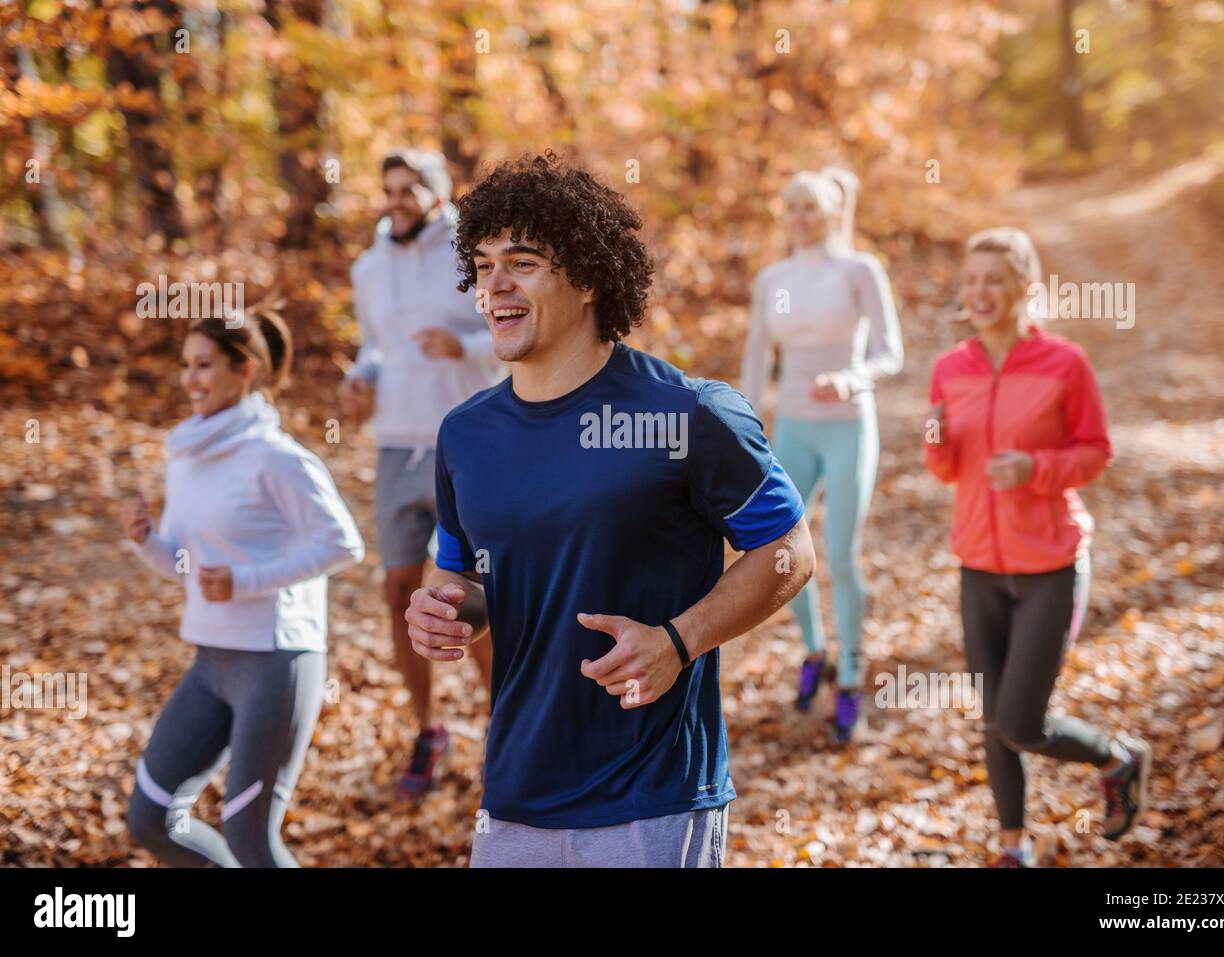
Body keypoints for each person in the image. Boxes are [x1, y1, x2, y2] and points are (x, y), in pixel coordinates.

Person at [404, 152, 816, 867]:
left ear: (588, 278)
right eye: (484, 263)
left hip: (651, 796)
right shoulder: (464, 435)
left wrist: (680, 639)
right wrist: (443, 611)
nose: (495, 282)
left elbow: (792, 551)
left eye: (524, 262)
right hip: (514, 795)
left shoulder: (689, 412)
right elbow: (463, 580)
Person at [923, 226, 1150, 867]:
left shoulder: (1064, 363)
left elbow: (1096, 450)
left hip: (1051, 561)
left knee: (1021, 722)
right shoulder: (950, 366)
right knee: (994, 718)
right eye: (972, 280)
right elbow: (942, 464)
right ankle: (1012, 848)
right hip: (979, 563)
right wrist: (934, 438)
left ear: (1026, 287)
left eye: (995, 279)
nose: (981, 291)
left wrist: (1036, 470)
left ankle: (1118, 757)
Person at [123, 310, 364, 867]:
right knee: (151, 818)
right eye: (185, 366)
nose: (190, 378)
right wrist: (147, 542)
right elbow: (190, 568)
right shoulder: (187, 455)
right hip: (212, 661)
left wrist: (246, 580)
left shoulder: (276, 457)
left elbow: (344, 545)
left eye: (204, 365)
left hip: (276, 662)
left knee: (250, 837)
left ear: (245, 369)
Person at [339, 149, 501, 799]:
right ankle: (427, 727)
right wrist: (363, 376)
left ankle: (502, 728)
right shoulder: (368, 266)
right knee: (401, 589)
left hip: (466, 444)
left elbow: (514, 332)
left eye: (411, 188)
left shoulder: (471, 253)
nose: (398, 199)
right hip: (394, 445)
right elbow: (376, 342)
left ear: (440, 193)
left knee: (473, 594)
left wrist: (465, 345)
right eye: (390, 189)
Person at [741, 166, 903, 742]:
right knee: (785, 552)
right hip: (792, 429)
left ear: (835, 212)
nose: (801, 218)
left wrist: (853, 378)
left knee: (840, 554)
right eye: (792, 207)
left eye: (811, 207)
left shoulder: (860, 270)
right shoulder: (772, 279)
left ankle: (853, 675)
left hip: (848, 427)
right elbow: (758, 359)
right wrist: (741, 422)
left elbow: (891, 353)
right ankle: (815, 651)